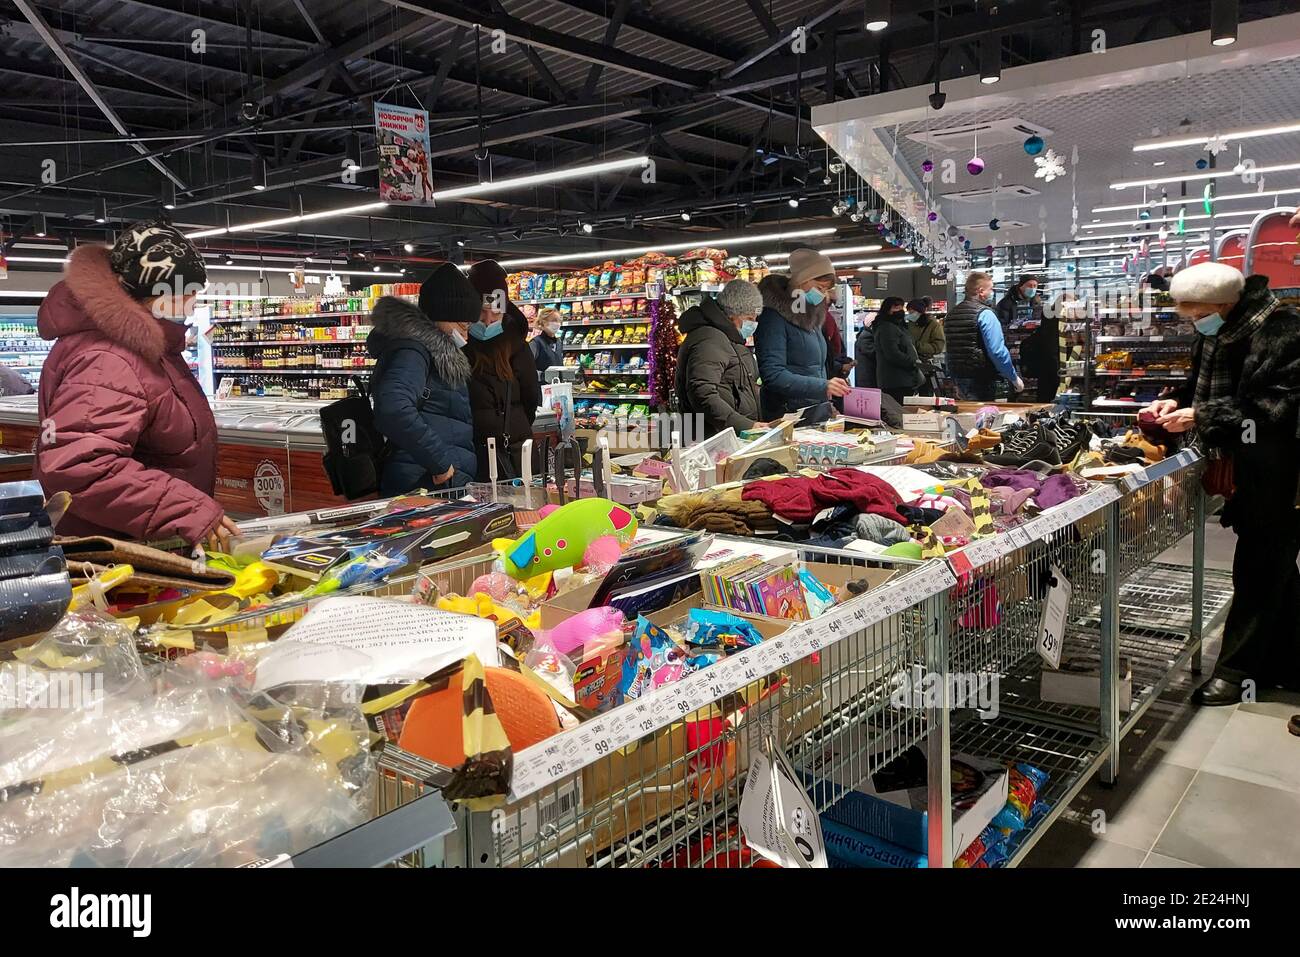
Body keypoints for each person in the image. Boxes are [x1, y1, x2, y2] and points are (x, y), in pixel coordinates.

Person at [33, 220, 237, 549]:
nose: (194, 302)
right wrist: (188, 509)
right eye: (187, 292)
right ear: (155, 294)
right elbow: (79, 466)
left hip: (141, 549)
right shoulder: (108, 359)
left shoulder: (147, 348)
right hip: (116, 561)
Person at [1149, 262, 1300, 708]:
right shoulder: (1220, 333)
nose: (1193, 321)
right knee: (1276, 568)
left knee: (1259, 566)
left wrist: (1204, 416)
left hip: (1285, 472)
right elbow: (1201, 384)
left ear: (1226, 304)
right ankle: (1287, 662)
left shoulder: (1284, 332)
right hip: (1252, 469)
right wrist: (1176, 399)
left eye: (1197, 313)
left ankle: (1236, 673)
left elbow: (1279, 409)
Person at [367, 263, 478, 494]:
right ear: (440, 315)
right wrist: (439, 461)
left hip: (432, 481)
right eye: (462, 325)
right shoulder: (413, 350)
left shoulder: (432, 351)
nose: (466, 336)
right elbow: (394, 408)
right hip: (422, 483)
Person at [466, 260, 541, 481]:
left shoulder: (517, 346)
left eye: (495, 314)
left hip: (514, 453)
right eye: (481, 314)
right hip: (477, 454)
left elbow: (530, 398)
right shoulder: (458, 344)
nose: (488, 321)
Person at [755, 249, 850, 419]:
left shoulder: (812, 318)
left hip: (814, 410)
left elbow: (816, 367)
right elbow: (772, 374)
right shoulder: (773, 318)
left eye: (826, 290)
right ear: (801, 282)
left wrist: (827, 399)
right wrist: (822, 386)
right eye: (820, 288)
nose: (823, 295)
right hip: (788, 414)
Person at [676, 279, 764, 437]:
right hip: (712, 438)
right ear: (733, 314)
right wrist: (746, 425)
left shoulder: (727, 338)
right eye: (750, 318)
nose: (754, 324)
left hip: (728, 434)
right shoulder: (710, 339)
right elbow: (702, 392)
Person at [946, 271, 1024, 401]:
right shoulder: (985, 314)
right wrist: (1013, 378)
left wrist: (954, 381)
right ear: (981, 291)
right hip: (981, 378)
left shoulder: (952, 314)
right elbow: (997, 351)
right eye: (991, 289)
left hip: (959, 377)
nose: (991, 292)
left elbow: (950, 351)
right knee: (985, 417)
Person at [872, 297, 923, 405]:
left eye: (901, 307)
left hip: (901, 379)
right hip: (895, 380)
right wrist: (913, 363)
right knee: (899, 412)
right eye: (896, 307)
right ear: (887, 309)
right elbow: (892, 353)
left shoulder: (897, 326)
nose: (900, 310)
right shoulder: (887, 327)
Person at [529, 306, 564, 383]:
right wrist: (542, 376)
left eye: (559, 321)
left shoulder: (558, 342)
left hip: (557, 389)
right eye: (554, 320)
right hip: (540, 390)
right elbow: (526, 368)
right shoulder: (535, 343)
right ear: (544, 322)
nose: (557, 324)